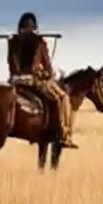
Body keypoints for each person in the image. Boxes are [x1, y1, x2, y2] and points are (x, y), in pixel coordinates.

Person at [6, 12, 77, 149]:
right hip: (33, 80)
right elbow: (47, 66)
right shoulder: (39, 42)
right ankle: (64, 134)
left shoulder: (13, 41)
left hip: (15, 80)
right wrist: (45, 73)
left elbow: (11, 62)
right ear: (34, 27)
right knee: (63, 97)